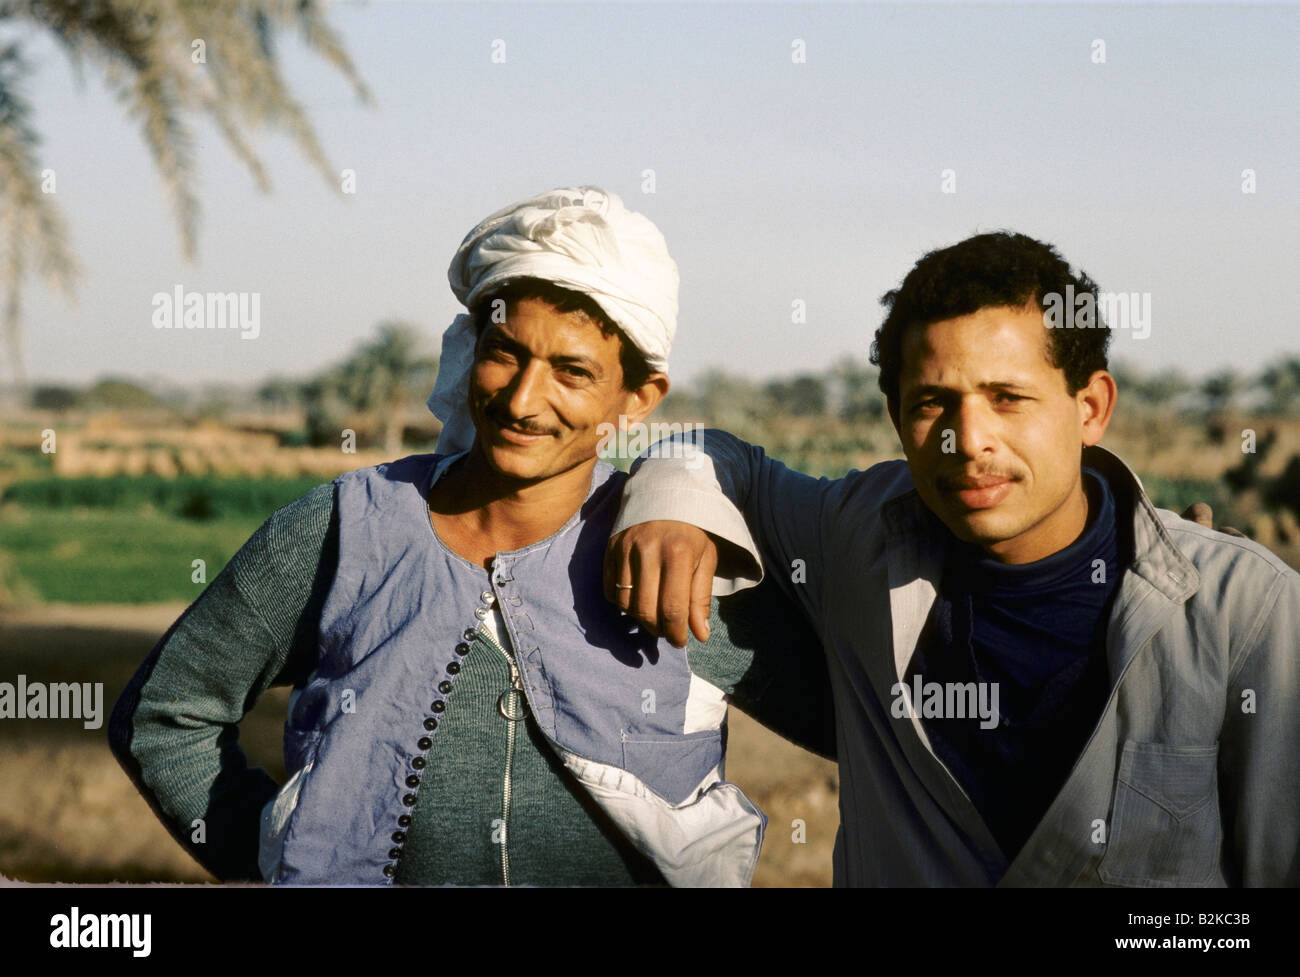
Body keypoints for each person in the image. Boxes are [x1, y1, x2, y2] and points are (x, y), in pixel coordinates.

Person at [108, 186, 831, 888]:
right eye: (506, 352)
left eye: (572, 371)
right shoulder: (344, 527)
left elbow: (863, 727)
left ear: (637, 398)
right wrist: (276, 855)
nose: (522, 400)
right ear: (469, 345)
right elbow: (167, 713)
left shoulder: (673, 556)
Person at [606, 231, 1300, 886]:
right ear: (894, 414)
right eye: (934, 403)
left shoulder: (1242, 611)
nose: (968, 441)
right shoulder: (858, 538)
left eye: (1008, 398)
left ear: (1090, 406)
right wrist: (671, 503)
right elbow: (719, 456)